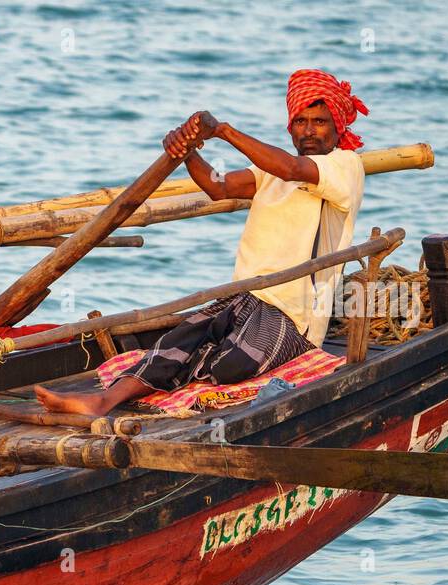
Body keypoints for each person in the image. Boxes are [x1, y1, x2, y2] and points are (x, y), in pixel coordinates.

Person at [36, 68, 369, 416]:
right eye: (300, 121)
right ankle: (102, 401)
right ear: (290, 127)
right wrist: (187, 152)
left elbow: (293, 169)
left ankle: (189, 371)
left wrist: (222, 130)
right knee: (174, 344)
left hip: (293, 315)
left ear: (337, 126)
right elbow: (218, 186)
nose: (309, 130)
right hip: (244, 296)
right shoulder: (270, 171)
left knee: (232, 366)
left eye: (319, 121)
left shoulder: (344, 166)